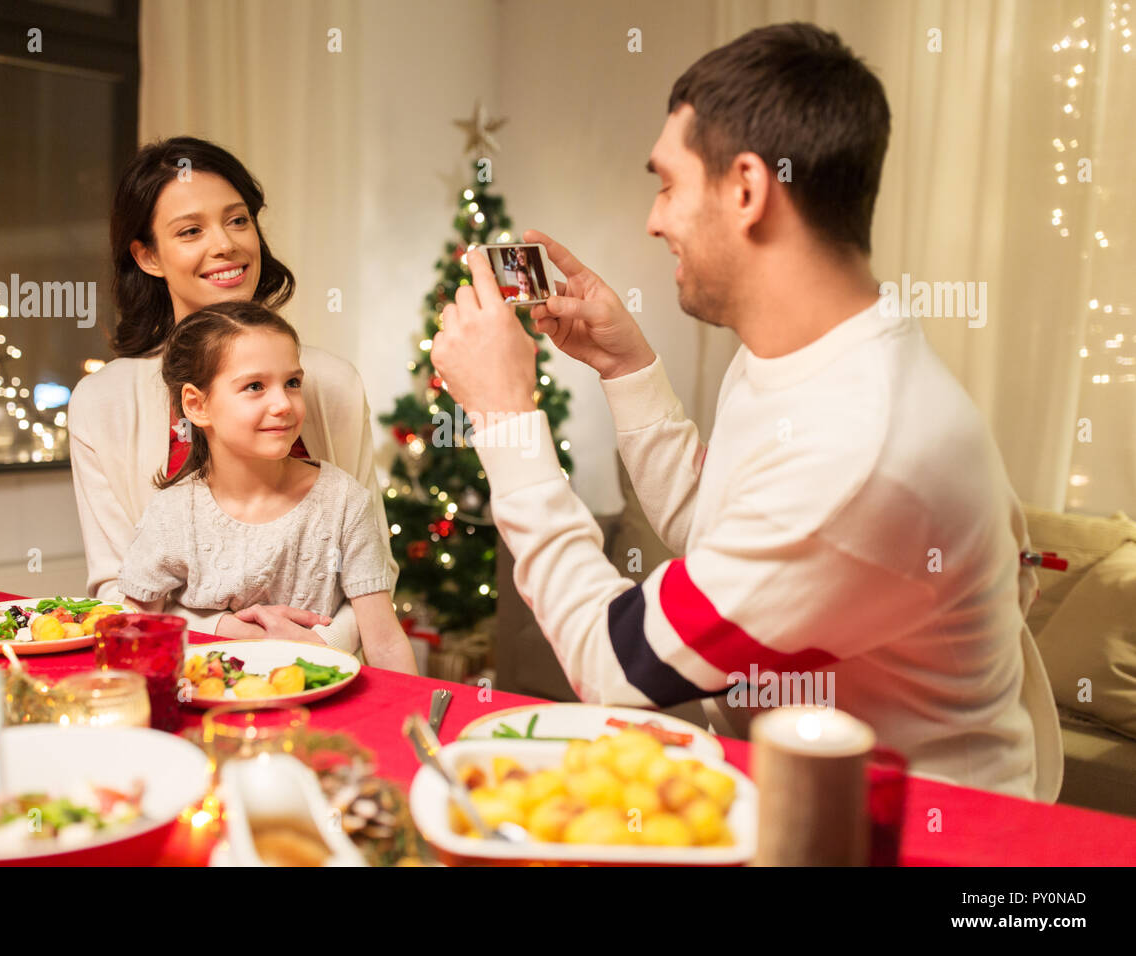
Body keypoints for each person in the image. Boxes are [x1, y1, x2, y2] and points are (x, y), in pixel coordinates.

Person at [430, 23, 1063, 800]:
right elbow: (731, 542)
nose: (653, 220)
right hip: (796, 796)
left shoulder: (861, 447)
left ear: (747, 189)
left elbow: (618, 666)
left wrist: (505, 419)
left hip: (918, 835)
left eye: (666, 183)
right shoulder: (807, 351)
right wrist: (627, 369)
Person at [69, 136, 396, 648]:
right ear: (148, 255)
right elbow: (117, 591)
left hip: (327, 675)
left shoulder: (332, 384)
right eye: (191, 230)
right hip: (184, 673)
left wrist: (318, 651)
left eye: (238, 220)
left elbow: (375, 567)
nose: (225, 244)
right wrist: (224, 632)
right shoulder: (101, 403)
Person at [116, 301, 416, 674]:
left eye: (292, 383)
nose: (283, 404)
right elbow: (135, 631)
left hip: (324, 708)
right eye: (255, 386)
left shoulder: (344, 502)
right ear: (196, 405)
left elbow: (385, 642)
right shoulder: (172, 514)